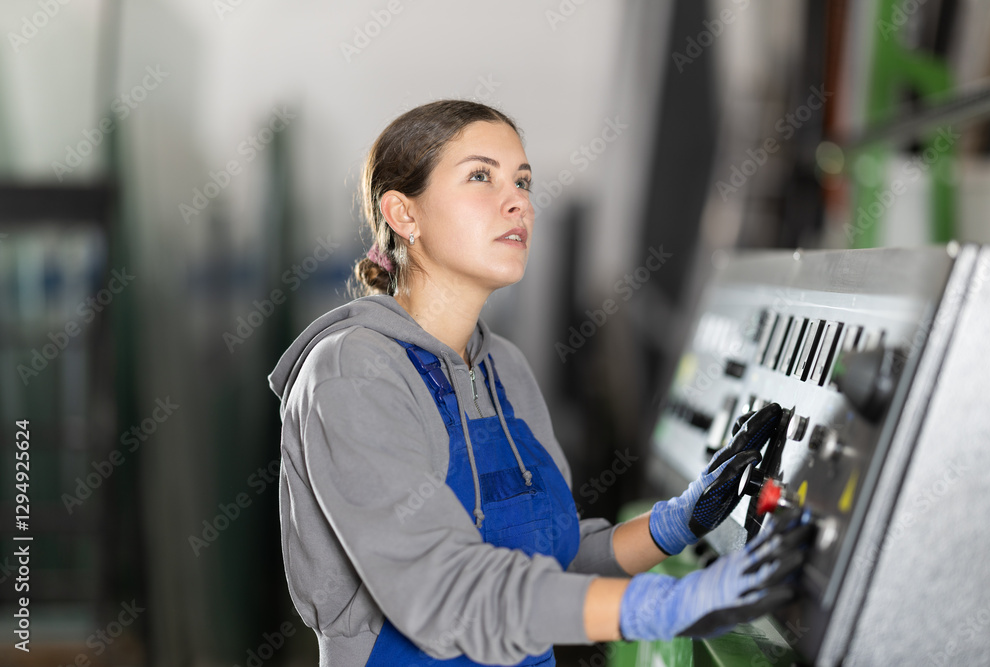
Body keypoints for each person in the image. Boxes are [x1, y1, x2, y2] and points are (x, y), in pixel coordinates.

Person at [267, 100, 811, 666]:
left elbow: (555, 568)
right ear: (405, 215)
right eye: (481, 176)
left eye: (523, 181)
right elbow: (446, 595)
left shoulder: (503, 366)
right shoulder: (352, 373)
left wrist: (678, 522)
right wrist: (670, 603)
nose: (518, 202)